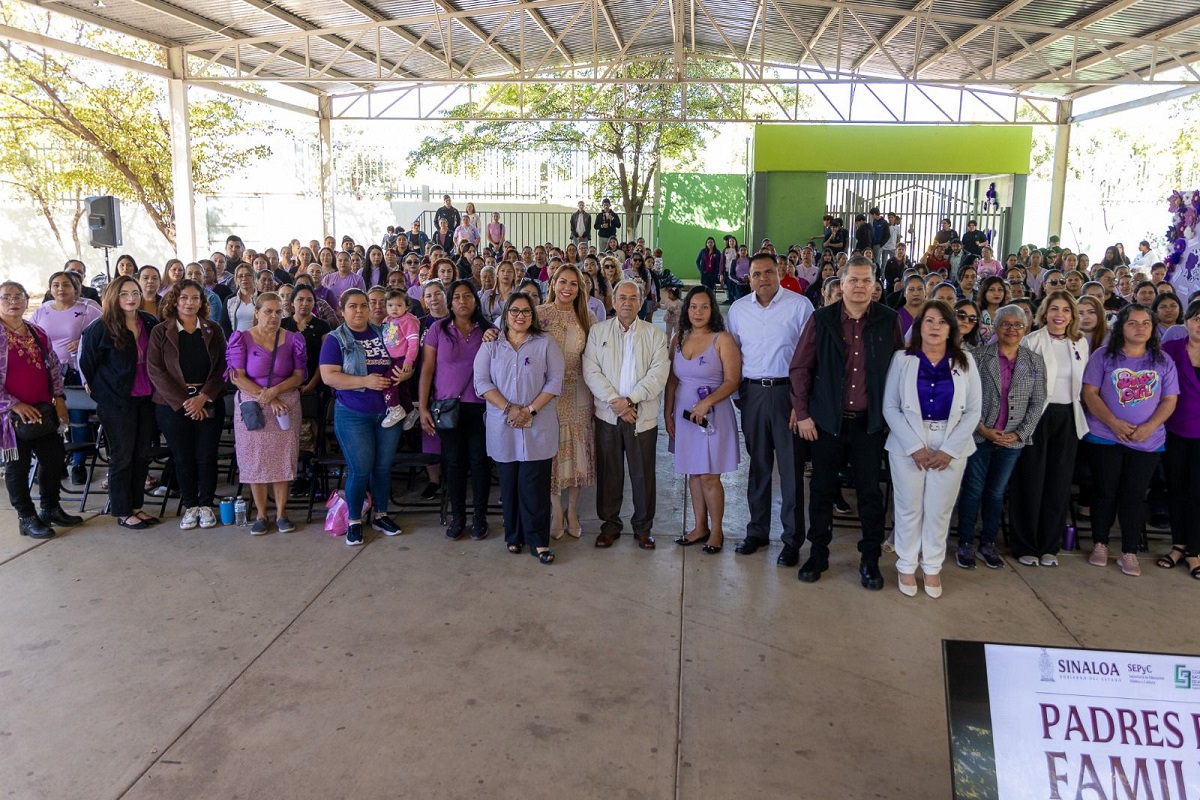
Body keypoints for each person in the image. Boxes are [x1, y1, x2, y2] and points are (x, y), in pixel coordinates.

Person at [790, 257, 902, 588]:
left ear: (875, 285)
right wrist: (803, 413)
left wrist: (893, 416)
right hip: (827, 423)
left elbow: (901, 368)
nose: (859, 286)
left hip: (870, 425)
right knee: (821, 490)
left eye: (866, 280)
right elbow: (800, 368)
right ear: (841, 284)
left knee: (869, 493)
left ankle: (870, 560)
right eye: (853, 280)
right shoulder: (821, 319)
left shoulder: (888, 320)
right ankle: (818, 554)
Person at [883, 301, 982, 598]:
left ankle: (932, 566)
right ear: (919, 326)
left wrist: (950, 449)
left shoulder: (965, 360)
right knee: (909, 507)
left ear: (951, 328)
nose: (935, 327)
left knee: (939, 510)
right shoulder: (903, 359)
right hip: (908, 441)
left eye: (942, 322)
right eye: (929, 321)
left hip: (951, 443)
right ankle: (906, 563)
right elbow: (890, 406)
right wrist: (915, 447)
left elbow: (973, 411)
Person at [727, 253, 815, 563]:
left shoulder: (800, 306)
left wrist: (801, 403)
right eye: (756, 274)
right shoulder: (738, 310)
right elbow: (733, 354)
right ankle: (757, 532)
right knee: (759, 466)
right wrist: (737, 394)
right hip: (752, 394)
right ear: (748, 279)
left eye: (768, 272)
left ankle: (791, 540)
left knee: (790, 470)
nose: (762, 278)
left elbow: (811, 357)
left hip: (787, 395)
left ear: (780, 272)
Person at [1082, 305, 1179, 576]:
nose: (1140, 328)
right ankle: (1100, 544)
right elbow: (1090, 393)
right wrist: (1113, 422)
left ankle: (1129, 551)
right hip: (1104, 436)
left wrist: (1149, 426)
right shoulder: (1103, 356)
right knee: (1104, 491)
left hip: (1147, 441)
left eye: (1146, 323)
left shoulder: (1162, 360)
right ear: (1121, 327)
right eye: (1133, 323)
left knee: (1134, 495)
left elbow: (1169, 399)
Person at [954, 305, 1047, 570]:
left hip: (1011, 441)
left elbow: (1037, 402)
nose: (1011, 329)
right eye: (1005, 324)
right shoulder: (978, 357)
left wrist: (1019, 433)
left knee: (996, 493)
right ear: (995, 327)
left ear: (1025, 328)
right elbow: (965, 397)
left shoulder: (1034, 361)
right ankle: (965, 542)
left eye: (1017, 324)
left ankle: (988, 543)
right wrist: (981, 428)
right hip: (980, 436)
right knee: (972, 490)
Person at [474, 292, 565, 564]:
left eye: (526, 311)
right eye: (514, 310)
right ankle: (513, 536)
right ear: (505, 315)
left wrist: (528, 410)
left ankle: (538, 542)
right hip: (503, 424)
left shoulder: (545, 343)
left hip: (538, 424)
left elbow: (555, 381)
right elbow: (481, 381)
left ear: (533, 315)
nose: (520, 316)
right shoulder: (491, 344)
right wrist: (509, 409)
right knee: (509, 484)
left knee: (534, 484)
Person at [581, 279, 670, 549]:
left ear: (641, 303)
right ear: (613, 301)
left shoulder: (655, 335)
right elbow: (591, 371)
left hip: (641, 416)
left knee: (643, 474)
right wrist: (615, 403)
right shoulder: (598, 331)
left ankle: (643, 527)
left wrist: (630, 401)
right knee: (610, 473)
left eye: (633, 298)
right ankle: (610, 525)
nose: (627, 303)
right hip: (608, 416)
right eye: (622, 297)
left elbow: (659, 373)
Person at [1008, 290, 1091, 566]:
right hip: (1037, 416)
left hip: (1068, 417)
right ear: (1045, 312)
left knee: (1059, 482)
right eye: (1054, 308)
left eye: (1066, 310)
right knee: (1030, 480)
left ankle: (1049, 546)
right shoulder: (1032, 341)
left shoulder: (1080, 343)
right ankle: (1025, 545)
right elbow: (1020, 384)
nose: (1060, 315)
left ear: (1072, 315)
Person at [319, 289, 405, 545]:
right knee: (360, 470)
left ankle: (381, 515)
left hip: (388, 412)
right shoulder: (335, 339)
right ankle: (354, 520)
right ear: (342, 310)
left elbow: (402, 355)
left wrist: (405, 373)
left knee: (382, 468)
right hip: (353, 414)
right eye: (353, 306)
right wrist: (364, 381)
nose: (359, 311)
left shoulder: (384, 332)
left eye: (363, 306)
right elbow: (329, 376)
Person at [78, 276, 160, 530]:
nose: (131, 298)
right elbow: (87, 364)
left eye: (135, 293)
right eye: (124, 293)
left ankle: (136, 506)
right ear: (114, 296)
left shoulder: (148, 321)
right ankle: (122, 510)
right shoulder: (100, 328)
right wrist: (102, 392)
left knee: (141, 455)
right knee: (122, 456)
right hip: (116, 402)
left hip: (146, 398)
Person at [1, 281, 80, 539]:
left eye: (18, 296)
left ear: (26, 300)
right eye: (6, 297)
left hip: (43, 410)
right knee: (18, 467)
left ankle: (50, 508)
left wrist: (59, 398)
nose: (13, 302)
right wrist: (14, 404)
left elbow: (53, 366)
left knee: (54, 459)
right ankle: (26, 518)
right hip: (10, 416)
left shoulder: (36, 332)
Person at [665, 286, 741, 555]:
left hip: (713, 417)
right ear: (687, 309)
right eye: (693, 307)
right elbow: (672, 380)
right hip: (685, 416)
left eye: (704, 307)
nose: (698, 312)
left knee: (709, 475)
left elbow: (732, 380)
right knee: (694, 473)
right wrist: (668, 413)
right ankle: (699, 527)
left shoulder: (722, 340)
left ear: (713, 310)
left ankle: (716, 530)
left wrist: (708, 402)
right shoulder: (678, 339)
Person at [147, 280, 228, 531]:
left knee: (206, 455)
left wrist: (203, 397)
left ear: (202, 302)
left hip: (208, 402)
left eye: (195, 298)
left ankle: (206, 505)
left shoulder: (213, 329)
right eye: (184, 298)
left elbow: (223, 367)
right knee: (182, 456)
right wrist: (186, 403)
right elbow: (155, 370)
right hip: (172, 406)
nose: (189, 303)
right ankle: (190, 505)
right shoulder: (160, 331)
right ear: (175, 301)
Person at [225, 293, 306, 535]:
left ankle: (281, 513)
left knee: (282, 457)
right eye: (268, 311)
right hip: (253, 404)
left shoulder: (293, 339)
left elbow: (299, 376)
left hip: (285, 405)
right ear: (256, 313)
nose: (274, 316)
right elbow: (237, 377)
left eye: (278, 312)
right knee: (255, 458)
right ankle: (261, 514)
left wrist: (276, 392)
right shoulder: (242, 339)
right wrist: (268, 397)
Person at [419, 281, 493, 541]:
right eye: (457, 297)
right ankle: (458, 517)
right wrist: (423, 407)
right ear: (450, 303)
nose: (462, 301)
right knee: (453, 463)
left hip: (481, 407)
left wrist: (494, 340)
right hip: (447, 408)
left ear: (475, 300)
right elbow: (427, 369)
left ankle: (480, 518)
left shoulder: (489, 330)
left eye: (467, 296)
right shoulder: (438, 329)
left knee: (480, 463)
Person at [536, 265, 595, 540]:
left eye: (573, 283)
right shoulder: (539, 314)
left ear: (579, 288)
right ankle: (555, 510)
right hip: (548, 393)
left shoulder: (587, 317)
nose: (567, 288)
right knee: (553, 452)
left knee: (577, 453)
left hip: (579, 391)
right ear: (553, 284)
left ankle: (572, 510)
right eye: (562, 282)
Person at [30, 271, 102, 485]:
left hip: (75, 372)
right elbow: (31, 338)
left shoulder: (88, 309)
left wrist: (83, 341)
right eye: (56, 285)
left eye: (66, 285)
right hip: (48, 373)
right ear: (50, 289)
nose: (61, 289)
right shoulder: (42, 311)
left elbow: (106, 332)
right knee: (51, 418)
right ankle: (56, 461)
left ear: (75, 287)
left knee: (77, 417)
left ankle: (79, 464)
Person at [1160, 300, 1200, 578]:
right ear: (1185, 322)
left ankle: (1195, 551)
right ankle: (1178, 545)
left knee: (1198, 493)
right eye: (1196, 318)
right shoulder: (1171, 349)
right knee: (1176, 489)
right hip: (1175, 429)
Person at [378, 289, 421, 430]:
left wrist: (409, 360)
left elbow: (413, 343)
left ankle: (395, 408)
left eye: (399, 305)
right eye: (390, 305)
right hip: (393, 359)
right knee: (401, 387)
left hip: (403, 358)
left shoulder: (408, 320)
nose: (394, 309)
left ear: (407, 306)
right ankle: (410, 411)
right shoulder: (388, 320)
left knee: (388, 381)